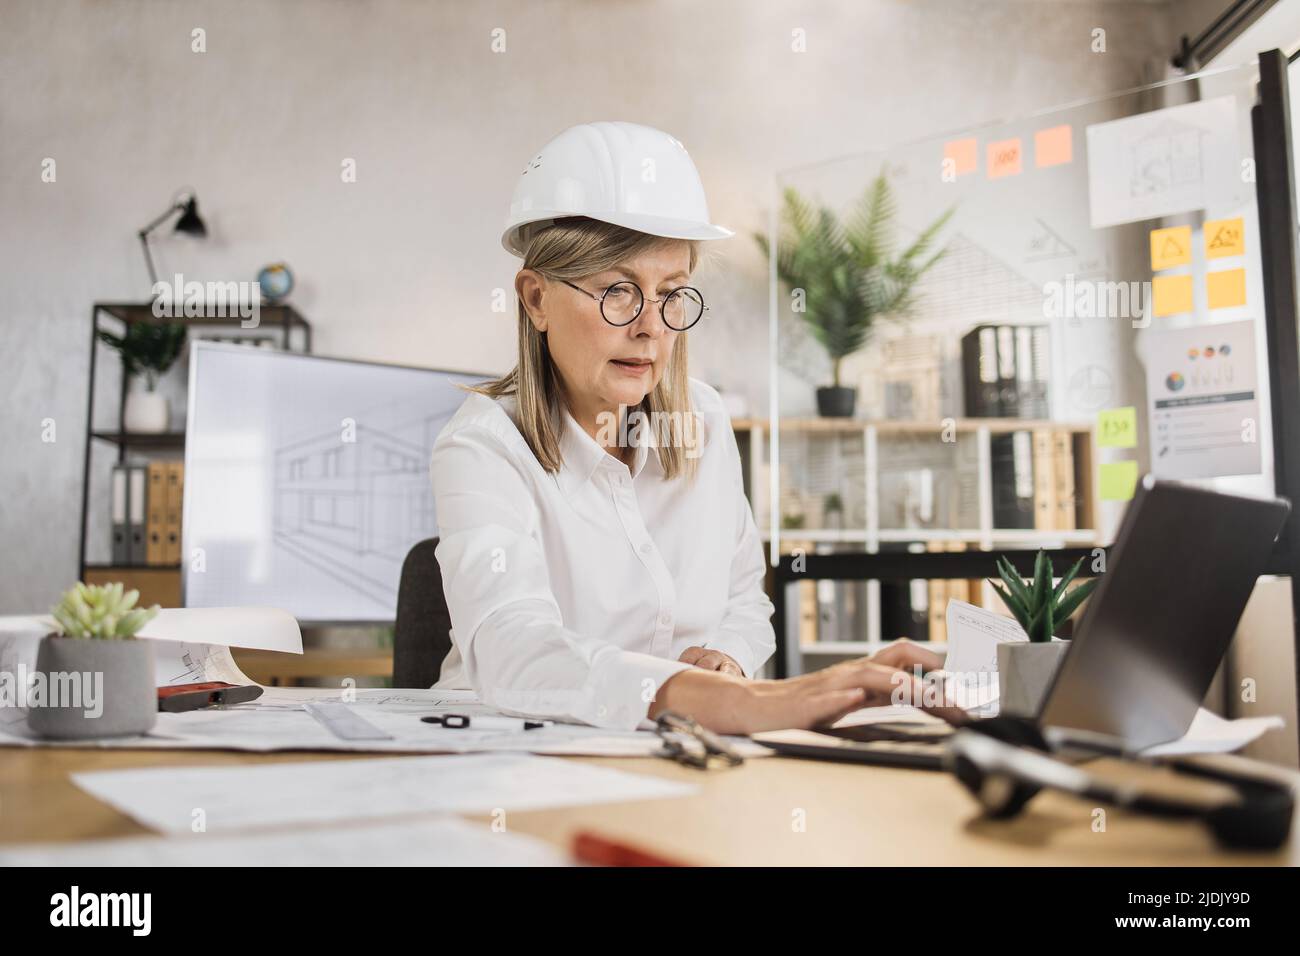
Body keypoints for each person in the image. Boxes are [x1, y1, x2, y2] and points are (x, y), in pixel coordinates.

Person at [430, 121, 958, 734]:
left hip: (676, 749)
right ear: (536, 299)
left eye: (672, 293)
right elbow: (513, 651)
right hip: (506, 754)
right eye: (618, 291)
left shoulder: (702, 420)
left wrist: (726, 665)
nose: (651, 327)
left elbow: (745, 602)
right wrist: (731, 700)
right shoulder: (484, 446)